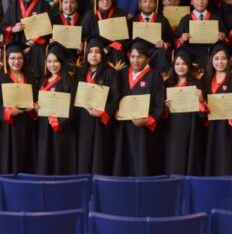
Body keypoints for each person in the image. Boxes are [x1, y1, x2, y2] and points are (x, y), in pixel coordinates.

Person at [113, 39, 166, 176]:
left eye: (140, 57)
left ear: (147, 58)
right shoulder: (121, 74)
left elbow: (159, 105)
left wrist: (147, 120)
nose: (135, 60)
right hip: (124, 128)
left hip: (144, 131)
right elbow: (115, 97)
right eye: (133, 56)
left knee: (142, 165)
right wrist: (116, 111)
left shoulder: (155, 76)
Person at [76, 36, 120, 175]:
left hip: (102, 122)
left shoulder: (110, 73)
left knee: (100, 157)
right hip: (84, 121)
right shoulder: (81, 73)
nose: (93, 55)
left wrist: (103, 113)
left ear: (102, 54)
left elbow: (116, 97)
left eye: (97, 52)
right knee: (84, 155)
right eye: (90, 52)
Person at [203, 42, 232, 175]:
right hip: (212, 128)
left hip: (229, 128)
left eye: (223, 58)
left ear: (230, 60)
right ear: (211, 60)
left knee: (228, 162)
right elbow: (204, 105)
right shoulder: (207, 79)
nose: (220, 62)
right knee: (213, 160)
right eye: (216, 58)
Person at [0, 0, 53, 80]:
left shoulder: (44, 5)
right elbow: (3, 26)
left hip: (36, 46)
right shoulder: (13, 5)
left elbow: (49, 29)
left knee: (38, 52)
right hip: (17, 45)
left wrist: (31, 44)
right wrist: (13, 29)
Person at [0, 41, 37, 174]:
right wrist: (8, 111)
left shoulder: (29, 76)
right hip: (9, 126)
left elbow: (35, 98)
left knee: (26, 155)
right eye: (12, 58)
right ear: (7, 60)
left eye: (19, 58)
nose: (16, 61)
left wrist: (34, 106)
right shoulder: (2, 78)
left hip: (26, 123)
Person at [34, 42, 76, 175]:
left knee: (59, 159)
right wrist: (37, 106)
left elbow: (72, 107)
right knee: (45, 157)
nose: (52, 65)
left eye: (56, 61)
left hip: (61, 129)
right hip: (44, 127)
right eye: (49, 61)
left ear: (62, 62)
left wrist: (57, 122)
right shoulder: (43, 80)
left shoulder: (68, 81)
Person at [163, 49, 206, 175]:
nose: (180, 67)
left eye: (184, 63)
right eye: (177, 64)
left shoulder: (197, 84)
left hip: (191, 128)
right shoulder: (167, 84)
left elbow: (203, 114)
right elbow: (162, 113)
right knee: (173, 160)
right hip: (172, 129)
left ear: (189, 65)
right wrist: (165, 107)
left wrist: (201, 100)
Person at [174, 0, 227, 68]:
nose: (200, 1)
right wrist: (182, 39)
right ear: (192, 2)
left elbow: (226, 38)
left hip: (211, 51)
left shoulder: (215, 18)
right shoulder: (185, 19)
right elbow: (176, 40)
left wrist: (223, 37)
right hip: (191, 51)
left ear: (207, 1)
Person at [82, 0, 130, 69]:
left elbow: (124, 38)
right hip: (96, 50)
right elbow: (84, 36)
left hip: (114, 50)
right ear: (96, 0)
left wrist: (108, 48)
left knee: (118, 52)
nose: (105, 2)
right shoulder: (90, 15)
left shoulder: (120, 14)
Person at [134, 0, 174, 75]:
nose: (148, 4)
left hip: (156, 53)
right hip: (138, 54)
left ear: (155, 3)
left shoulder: (162, 20)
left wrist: (164, 45)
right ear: (140, 3)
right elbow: (127, 43)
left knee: (161, 53)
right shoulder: (133, 21)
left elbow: (171, 42)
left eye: (151, 1)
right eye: (144, 1)